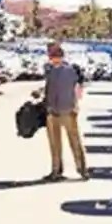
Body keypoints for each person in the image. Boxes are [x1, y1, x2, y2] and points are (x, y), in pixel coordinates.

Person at [33, 41, 88, 181]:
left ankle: (82, 169)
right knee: (54, 143)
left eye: (55, 55)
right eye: (51, 56)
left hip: (68, 110)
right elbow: (49, 88)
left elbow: (78, 88)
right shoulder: (50, 71)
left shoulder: (70, 70)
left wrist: (75, 105)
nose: (53, 58)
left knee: (74, 140)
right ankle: (56, 170)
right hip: (52, 111)